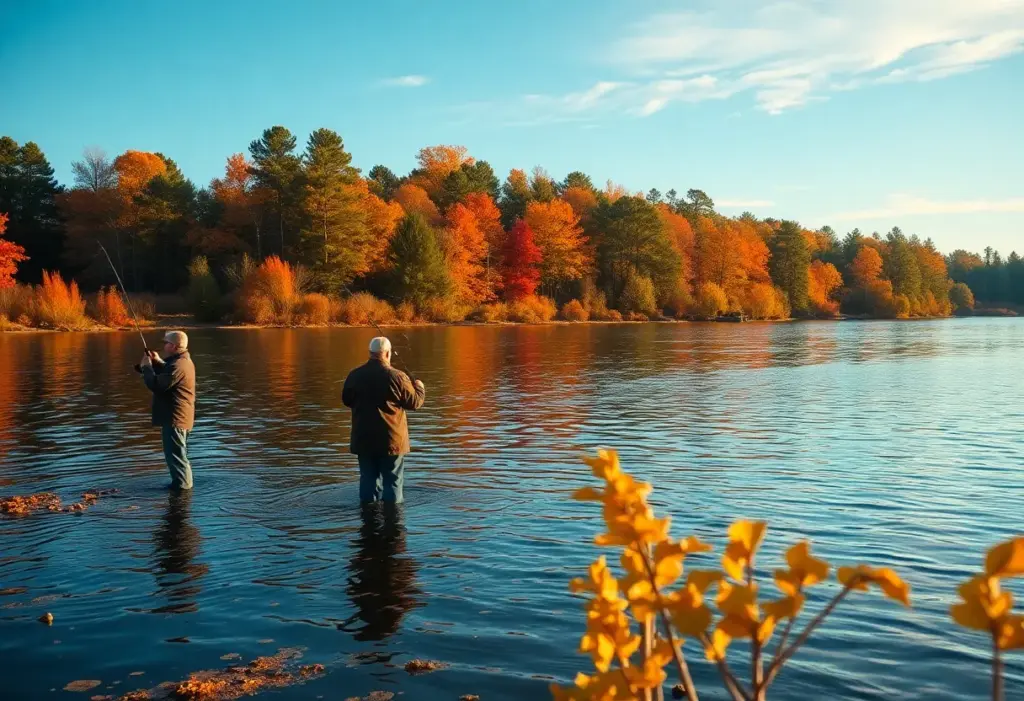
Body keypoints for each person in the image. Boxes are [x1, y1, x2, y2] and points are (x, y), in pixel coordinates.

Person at [342, 337, 425, 504]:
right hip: (391, 441)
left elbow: (346, 400)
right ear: (387, 354)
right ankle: (393, 523)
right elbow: (414, 403)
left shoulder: (354, 375)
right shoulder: (398, 377)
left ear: (370, 354)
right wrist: (420, 388)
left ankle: (367, 519)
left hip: (363, 439)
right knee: (393, 481)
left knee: (367, 480)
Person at [138, 330, 196, 490]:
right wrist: (156, 362)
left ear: (173, 346)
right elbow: (167, 372)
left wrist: (147, 367)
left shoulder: (178, 365)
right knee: (179, 456)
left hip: (175, 418)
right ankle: (183, 487)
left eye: (166, 343)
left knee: (176, 457)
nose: (164, 346)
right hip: (180, 417)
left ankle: (182, 490)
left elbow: (157, 385)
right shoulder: (182, 361)